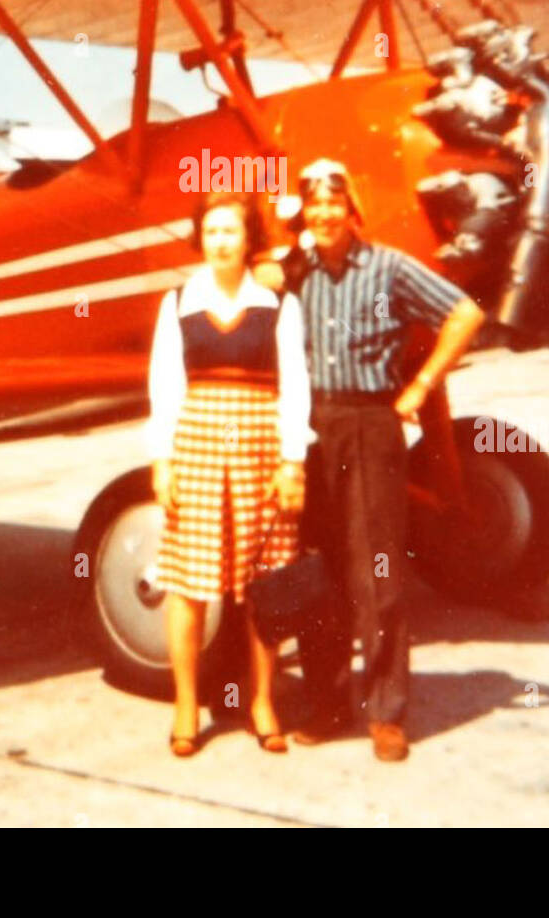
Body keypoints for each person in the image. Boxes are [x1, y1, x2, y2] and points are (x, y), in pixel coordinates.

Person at [287, 158, 485, 762]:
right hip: (312, 425)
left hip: (373, 424)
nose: (324, 213)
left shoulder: (391, 267)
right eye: (312, 203)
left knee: (377, 572)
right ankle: (327, 702)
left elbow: (466, 313)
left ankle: (387, 712)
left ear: (352, 210)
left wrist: (421, 386)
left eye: (333, 202)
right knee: (319, 575)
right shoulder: (297, 272)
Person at [147, 192, 310, 757]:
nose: (221, 242)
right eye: (211, 231)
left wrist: (294, 461)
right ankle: (187, 703)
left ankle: (263, 699)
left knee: (266, 584)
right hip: (196, 448)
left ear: (249, 240)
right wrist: (161, 460)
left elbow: (296, 387)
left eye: (231, 232)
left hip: (260, 449)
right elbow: (165, 387)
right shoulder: (178, 303)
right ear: (201, 239)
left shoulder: (278, 304)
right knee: (189, 584)